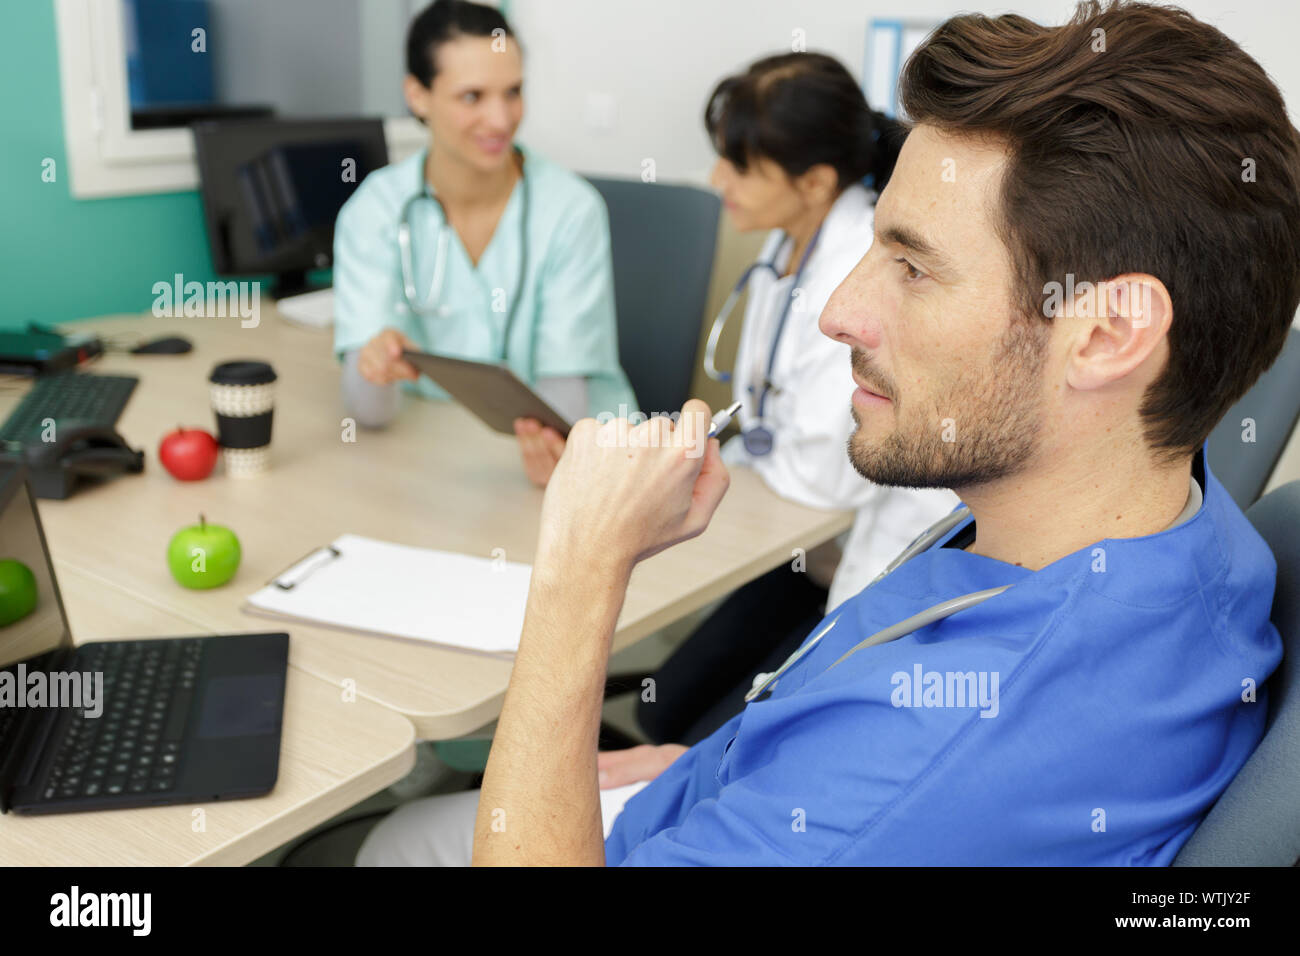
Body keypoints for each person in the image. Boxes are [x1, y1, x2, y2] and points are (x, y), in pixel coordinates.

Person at [360, 0, 1299, 866]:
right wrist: (740, 772)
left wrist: (577, 572)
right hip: (737, 790)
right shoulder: (1178, 527)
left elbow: (897, 789)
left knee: (389, 842)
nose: (838, 311)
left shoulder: (919, 768)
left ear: (1104, 337)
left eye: (914, 267)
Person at [635, 52, 958, 747]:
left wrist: (725, 465)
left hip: (869, 557)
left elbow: (823, 478)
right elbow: (776, 424)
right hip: (803, 550)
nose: (719, 182)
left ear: (813, 182)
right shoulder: (787, 244)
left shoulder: (857, 265)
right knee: (660, 712)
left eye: (741, 167)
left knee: (727, 743)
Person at [332, 0, 635, 485]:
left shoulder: (571, 210)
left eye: (512, 92)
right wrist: (373, 365)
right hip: (437, 456)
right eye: (472, 96)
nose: (500, 119)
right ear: (418, 95)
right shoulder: (375, 210)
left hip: (582, 458)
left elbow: (565, 414)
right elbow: (369, 413)